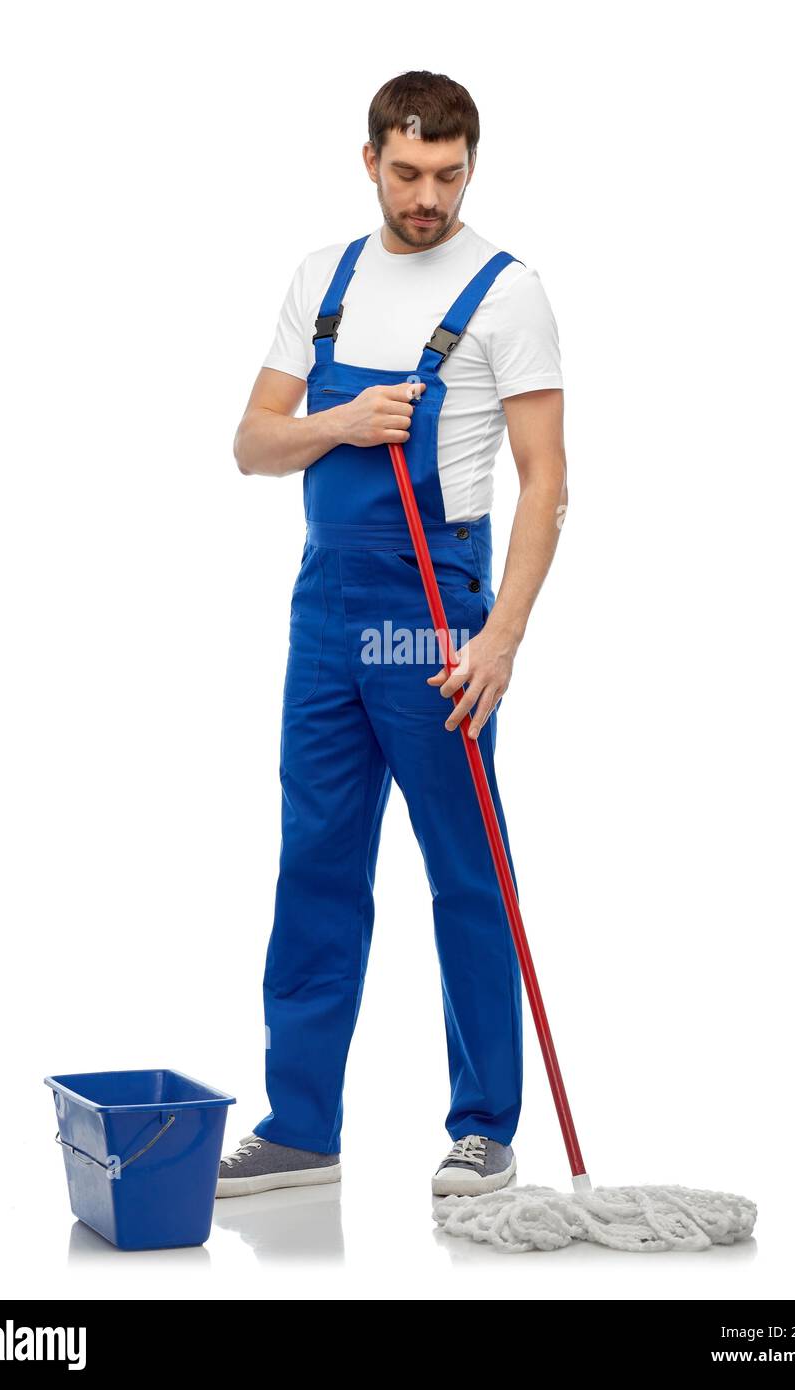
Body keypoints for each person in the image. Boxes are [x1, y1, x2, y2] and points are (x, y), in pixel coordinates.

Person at [218, 70, 567, 1200]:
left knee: (466, 872)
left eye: (450, 175)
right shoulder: (323, 278)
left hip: (432, 622)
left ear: (471, 163)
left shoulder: (507, 292)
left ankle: (483, 1127)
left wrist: (501, 638)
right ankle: (300, 1126)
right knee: (316, 865)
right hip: (326, 613)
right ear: (369, 158)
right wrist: (339, 422)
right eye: (408, 172)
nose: (429, 196)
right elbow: (252, 445)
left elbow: (545, 480)